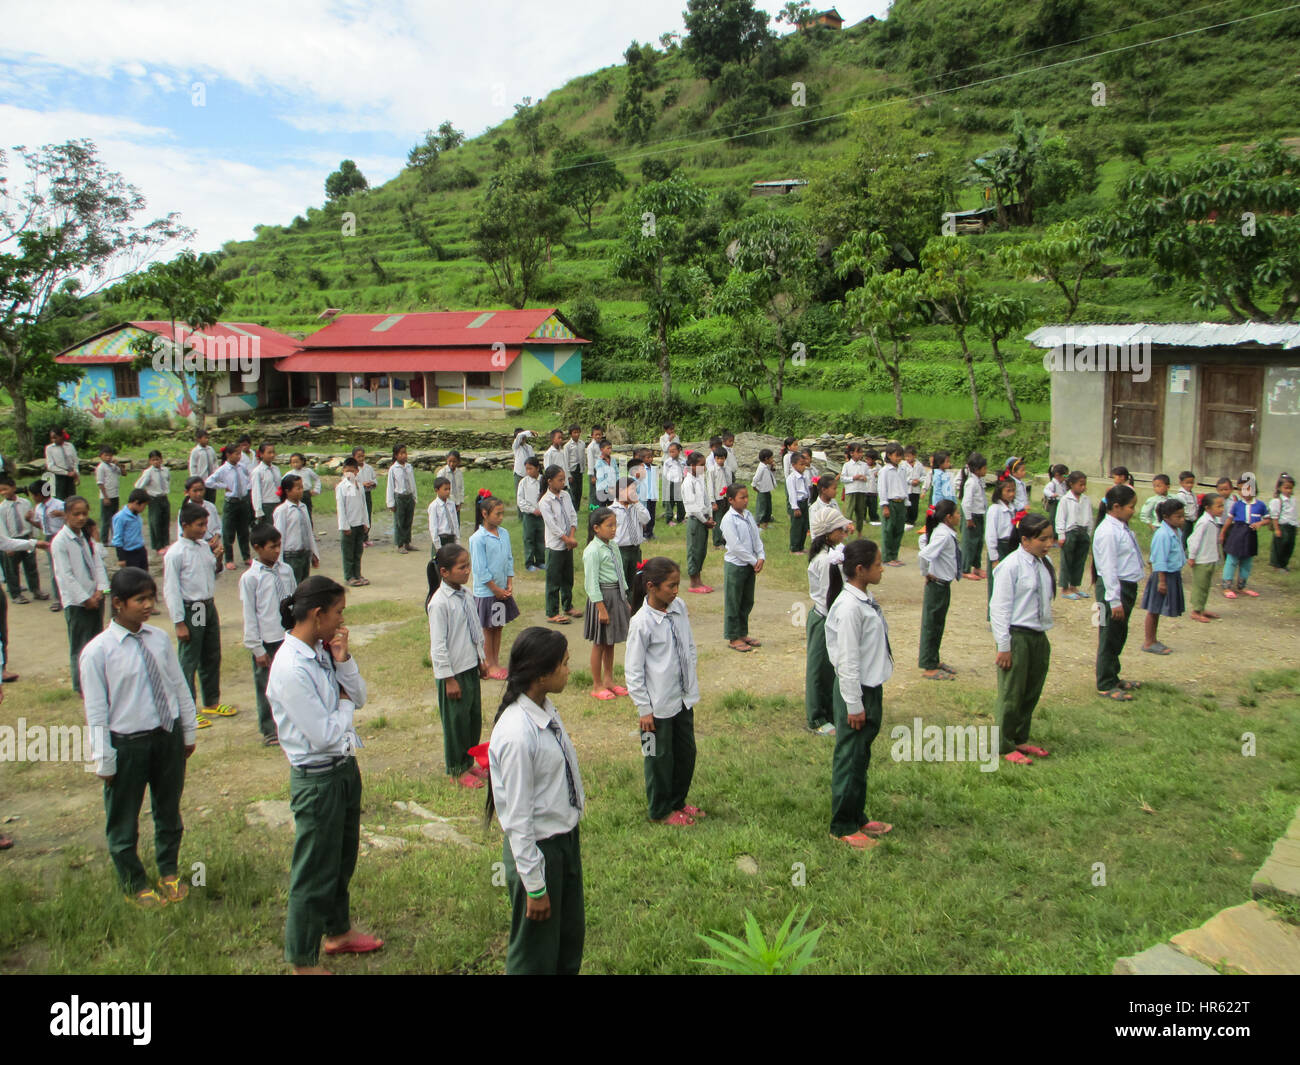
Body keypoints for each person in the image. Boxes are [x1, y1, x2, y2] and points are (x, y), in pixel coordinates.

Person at [267, 575, 382, 974]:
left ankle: (338, 931)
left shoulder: (321, 651)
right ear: (317, 615)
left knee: (341, 859)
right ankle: (302, 960)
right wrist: (346, 709)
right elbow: (326, 734)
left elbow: (360, 695)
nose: (342, 622)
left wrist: (343, 660)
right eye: (338, 614)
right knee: (313, 870)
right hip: (317, 779)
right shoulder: (289, 667)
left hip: (344, 769)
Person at [80, 567, 198, 908]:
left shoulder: (158, 639)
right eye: (140, 599)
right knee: (123, 818)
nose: (148, 605)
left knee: (168, 810)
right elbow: (97, 711)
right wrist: (104, 757)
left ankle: (168, 870)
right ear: (118, 603)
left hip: (166, 737)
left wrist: (186, 729)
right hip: (127, 744)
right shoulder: (98, 652)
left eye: (151, 597)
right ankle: (133, 881)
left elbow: (178, 686)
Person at [485, 627, 584, 975]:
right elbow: (517, 819)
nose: (569, 671)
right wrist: (535, 885)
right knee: (534, 955)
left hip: (564, 842)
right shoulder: (516, 732)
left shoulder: (545, 708)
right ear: (542, 674)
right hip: (539, 852)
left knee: (567, 941)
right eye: (565, 665)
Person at [825, 538, 893, 850]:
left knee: (860, 757)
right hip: (856, 693)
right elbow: (847, 661)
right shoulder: (849, 607)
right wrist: (854, 704)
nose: (882, 568)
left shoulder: (863, 598)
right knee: (850, 758)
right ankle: (842, 825)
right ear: (860, 569)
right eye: (878, 564)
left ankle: (857, 815)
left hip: (870, 687)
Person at [625, 556, 702, 826]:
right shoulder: (641, 622)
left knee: (686, 753)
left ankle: (678, 801)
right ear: (651, 587)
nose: (676, 591)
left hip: (681, 699)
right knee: (657, 758)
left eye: (678, 585)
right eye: (671, 586)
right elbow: (633, 671)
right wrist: (643, 708)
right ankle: (660, 809)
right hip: (655, 707)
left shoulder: (678, 607)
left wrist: (690, 683)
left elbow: (689, 645)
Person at [990, 513, 1057, 765]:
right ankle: (1004, 744)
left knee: (1031, 690)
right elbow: (999, 609)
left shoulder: (1043, 562)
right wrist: (1004, 646)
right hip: (1017, 636)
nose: (1049, 543)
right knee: (1012, 692)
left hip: (1038, 636)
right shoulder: (1011, 566)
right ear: (1025, 539)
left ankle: (1019, 737)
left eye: (1051, 538)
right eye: (1043, 539)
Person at [427, 546, 490, 787]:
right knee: (456, 723)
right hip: (453, 673)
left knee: (472, 718)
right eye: (461, 567)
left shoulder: (466, 594)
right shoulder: (439, 604)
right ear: (444, 572)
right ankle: (456, 768)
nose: (467, 571)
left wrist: (481, 660)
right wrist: (448, 678)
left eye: (468, 565)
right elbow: (438, 646)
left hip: (470, 667)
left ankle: (469, 762)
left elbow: (475, 631)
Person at [165, 501, 233, 722]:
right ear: (184, 525)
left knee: (211, 654)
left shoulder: (204, 547)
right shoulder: (176, 553)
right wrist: (179, 622)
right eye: (199, 525)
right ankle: (187, 709)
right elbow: (172, 589)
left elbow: (212, 574)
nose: (204, 529)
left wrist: (219, 559)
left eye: (205, 524)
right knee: (190, 658)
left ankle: (211, 701)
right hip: (192, 608)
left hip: (208, 605)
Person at [241, 524, 296, 746]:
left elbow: (295, 600)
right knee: (266, 686)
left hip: (288, 636)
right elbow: (250, 614)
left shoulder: (286, 570)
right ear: (257, 548)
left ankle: (291, 722)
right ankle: (269, 728)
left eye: (279, 545)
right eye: (272, 547)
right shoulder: (251, 578)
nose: (277, 551)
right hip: (267, 640)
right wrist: (256, 647)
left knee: (290, 682)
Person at [51, 497, 109, 694]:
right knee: (80, 644)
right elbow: (65, 575)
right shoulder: (60, 542)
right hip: (78, 602)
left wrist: (101, 589)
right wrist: (85, 598)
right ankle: (81, 685)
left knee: (96, 641)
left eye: (84, 513)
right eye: (76, 514)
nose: (81, 517)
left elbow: (97, 562)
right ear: (66, 515)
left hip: (95, 596)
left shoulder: (85, 536)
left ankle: (96, 680)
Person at [1092, 484, 1143, 701]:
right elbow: (1108, 568)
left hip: (1125, 588)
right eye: (1131, 507)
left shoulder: (1121, 527)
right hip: (1113, 591)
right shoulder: (1107, 532)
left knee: (1118, 635)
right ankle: (1104, 683)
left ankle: (1113, 676)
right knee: (1109, 635)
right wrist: (1114, 601)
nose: (1134, 511)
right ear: (1116, 507)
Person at [805, 509, 854, 734]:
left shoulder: (831, 555)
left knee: (832, 667)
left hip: (830, 617)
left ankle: (831, 710)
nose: (844, 532)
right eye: (839, 530)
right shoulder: (825, 561)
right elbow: (828, 594)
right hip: (824, 618)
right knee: (819, 669)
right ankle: (816, 717)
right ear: (828, 534)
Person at [581, 506, 630, 699]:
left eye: (615, 525)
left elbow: (621, 574)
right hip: (602, 599)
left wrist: (624, 598)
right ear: (596, 528)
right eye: (609, 525)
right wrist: (601, 608)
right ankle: (597, 684)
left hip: (616, 595)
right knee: (599, 643)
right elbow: (591, 583)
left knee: (611, 642)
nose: (613, 529)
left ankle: (609, 680)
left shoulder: (613, 546)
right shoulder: (592, 551)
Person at [468, 495, 519, 679]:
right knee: (488, 629)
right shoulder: (478, 539)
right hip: (487, 592)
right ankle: (488, 664)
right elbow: (480, 570)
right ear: (484, 514)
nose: (500, 518)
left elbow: (509, 559)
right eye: (497, 514)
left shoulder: (504, 533)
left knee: (498, 626)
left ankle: (495, 661)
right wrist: (495, 589)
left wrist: (509, 583)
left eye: (502, 514)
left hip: (502, 590)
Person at [918, 500, 961, 681]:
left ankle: (934, 660)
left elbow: (923, 541)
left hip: (944, 585)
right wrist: (926, 573)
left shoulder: (944, 532)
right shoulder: (943, 535)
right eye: (957, 513)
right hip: (937, 586)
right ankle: (928, 666)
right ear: (948, 517)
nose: (960, 516)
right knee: (932, 625)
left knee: (938, 624)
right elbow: (924, 554)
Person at [720, 483, 764, 654]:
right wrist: (753, 561)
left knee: (747, 600)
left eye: (747, 497)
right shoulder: (728, 520)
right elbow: (736, 546)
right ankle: (733, 636)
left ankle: (742, 632)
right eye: (742, 497)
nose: (746, 500)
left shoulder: (748, 515)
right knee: (734, 601)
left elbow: (756, 537)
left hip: (750, 565)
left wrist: (761, 556)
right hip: (736, 565)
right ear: (731, 500)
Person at [1141, 498, 1187, 655]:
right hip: (1163, 577)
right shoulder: (1162, 534)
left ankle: (1153, 639)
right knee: (1154, 608)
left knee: (1158, 608)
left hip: (1172, 574)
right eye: (1178, 516)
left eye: (1183, 516)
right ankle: (1149, 641)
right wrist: (1161, 581)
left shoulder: (1176, 531)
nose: (1182, 519)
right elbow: (1159, 559)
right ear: (1166, 517)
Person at [540, 465, 581, 625]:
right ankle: (552, 612)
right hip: (555, 546)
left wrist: (571, 536)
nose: (563, 483)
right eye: (560, 480)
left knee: (567, 577)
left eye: (564, 479)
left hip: (567, 544)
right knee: (553, 579)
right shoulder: (545, 501)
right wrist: (566, 539)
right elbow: (552, 525)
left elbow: (572, 515)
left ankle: (567, 605)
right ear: (550, 482)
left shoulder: (565, 495)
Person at [1221, 473, 1269, 598]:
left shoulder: (1260, 505)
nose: (1243, 492)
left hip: (1251, 535)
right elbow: (1229, 519)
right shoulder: (1237, 505)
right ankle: (1226, 586)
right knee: (1231, 560)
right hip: (1237, 533)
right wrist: (1223, 532)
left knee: (1247, 561)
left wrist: (1260, 523)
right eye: (1240, 489)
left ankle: (1242, 586)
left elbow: (1267, 519)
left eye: (1246, 489)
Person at [0, 475, 46, 603]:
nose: (3, 492)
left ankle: (36, 590)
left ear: (14, 487)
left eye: (5, 489)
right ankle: (16, 594)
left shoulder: (25, 503)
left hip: (26, 537)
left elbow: (32, 518)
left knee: (31, 566)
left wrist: (34, 536)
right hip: (11, 540)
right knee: (11, 570)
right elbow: (2, 527)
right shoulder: (2, 508)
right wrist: (7, 546)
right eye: (1, 490)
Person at [206, 444, 253, 568]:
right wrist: (223, 486)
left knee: (243, 530)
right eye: (236, 454)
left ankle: (246, 556)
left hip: (242, 501)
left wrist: (246, 489)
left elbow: (248, 478)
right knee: (228, 530)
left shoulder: (242, 467)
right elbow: (209, 482)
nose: (239, 456)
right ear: (228, 455)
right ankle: (229, 559)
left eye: (239, 454)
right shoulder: (223, 469)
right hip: (231, 502)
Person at [273, 474, 319, 583]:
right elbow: (280, 536)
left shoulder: (303, 507)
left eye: (302, 487)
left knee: (304, 585)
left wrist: (314, 552)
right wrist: (279, 561)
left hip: (304, 554)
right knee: (293, 586)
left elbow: (308, 531)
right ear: (288, 491)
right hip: (291, 556)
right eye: (298, 488)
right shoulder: (282, 510)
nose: (301, 490)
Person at [1054, 471, 1093, 600]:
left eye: (1084, 485)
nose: (1083, 487)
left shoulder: (1086, 499)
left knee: (1080, 560)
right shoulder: (1065, 500)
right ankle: (1065, 588)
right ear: (1071, 484)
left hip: (1083, 531)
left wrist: (1089, 533)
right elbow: (1060, 518)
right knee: (1067, 560)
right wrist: (1061, 535)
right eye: (1080, 484)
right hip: (1070, 531)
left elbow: (1090, 517)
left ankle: (1074, 586)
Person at [1187, 492, 1224, 623]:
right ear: (1208, 508)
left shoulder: (1213, 521)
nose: (1222, 509)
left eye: (1222, 506)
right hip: (1202, 560)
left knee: (1206, 585)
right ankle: (1196, 611)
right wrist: (1191, 557)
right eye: (1218, 506)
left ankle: (1201, 608)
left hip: (1210, 559)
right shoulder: (1203, 522)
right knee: (1200, 586)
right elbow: (1194, 540)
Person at [28, 481, 64, 612]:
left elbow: (74, 519)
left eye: (33, 495)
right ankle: (58, 599)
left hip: (61, 535)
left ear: (39, 494)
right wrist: (30, 521)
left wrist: (62, 514)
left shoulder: (60, 505)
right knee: (55, 569)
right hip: (49, 537)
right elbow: (41, 526)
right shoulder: (38, 508)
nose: (33, 498)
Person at [611, 473, 650, 592]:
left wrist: (637, 503)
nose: (634, 493)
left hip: (635, 549)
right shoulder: (612, 511)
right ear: (621, 492)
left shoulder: (636, 507)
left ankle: (634, 604)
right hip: (621, 550)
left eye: (635, 490)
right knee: (621, 581)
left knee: (636, 580)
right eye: (631, 490)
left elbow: (646, 519)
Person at [985, 477, 1019, 610]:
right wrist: (994, 558)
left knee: (1010, 581)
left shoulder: (1013, 508)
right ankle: (995, 614)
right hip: (1000, 548)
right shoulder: (995, 509)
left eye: (1013, 491)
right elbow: (990, 535)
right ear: (1000, 491)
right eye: (1008, 491)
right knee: (996, 583)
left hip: (1012, 546)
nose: (1012, 494)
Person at [682, 451, 714, 593]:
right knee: (694, 551)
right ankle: (693, 582)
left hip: (704, 518)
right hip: (696, 520)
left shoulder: (700, 479)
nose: (704, 468)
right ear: (692, 466)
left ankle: (699, 579)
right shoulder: (688, 483)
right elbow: (693, 507)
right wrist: (704, 520)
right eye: (702, 465)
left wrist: (710, 516)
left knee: (701, 550)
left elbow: (706, 499)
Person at [336, 457, 370, 587]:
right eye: (346, 470)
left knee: (357, 551)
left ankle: (357, 574)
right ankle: (349, 576)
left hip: (359, 524)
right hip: (348, 525)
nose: (349, 473)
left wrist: (365, 523)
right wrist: (344, 526)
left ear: (357, 471)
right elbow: (341, 508)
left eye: (352, 470)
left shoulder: (359, 486)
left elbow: (363, 505)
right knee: (348, 553)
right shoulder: (341, 487)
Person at [135, 450, 171, 557]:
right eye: (153, 460)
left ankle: (165, 543)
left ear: (161, 459)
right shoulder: (148, 472)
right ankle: (158, 545)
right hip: (154, 499)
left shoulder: (165, 470)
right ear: (150, 461)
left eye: (158, 459)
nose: (156, 462)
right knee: (155, 522)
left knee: (165, 521)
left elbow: (168, 480)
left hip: (164, 497)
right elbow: (139, 485)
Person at [958, 452, 988, 579]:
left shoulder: (979, 481)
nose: (986, 470)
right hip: (971, 516)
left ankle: (976, 566)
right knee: (969, 543)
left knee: (978, 542)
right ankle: (964, 569)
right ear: (976, 469)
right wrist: (968, 519)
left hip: (980, 514)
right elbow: (966, 503)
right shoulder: (971, 482)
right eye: (984, 468)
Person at [878, 442, 908, 566]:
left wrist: (906, 502)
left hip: (901, 502)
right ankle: (886, 556)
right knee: (888, 530)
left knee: (899, 530)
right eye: (896, 455)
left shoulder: (902, 469)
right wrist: (885, 506)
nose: (899, 458)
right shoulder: (885, 471)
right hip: (890, 503)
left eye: (901, 456)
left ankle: (894, 555)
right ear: (889, 455)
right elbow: (882, 488)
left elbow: (904, 486)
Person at [385, 444, 417, 554]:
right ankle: (400, 544)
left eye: (405, 453)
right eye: (401, 453)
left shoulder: (409, 467)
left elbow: (412, 482)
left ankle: (407, 542)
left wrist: (414, 497)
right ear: (396, 455)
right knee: (400, 522)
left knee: (408, 520)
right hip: (399, 497)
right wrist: (391, 503)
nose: (404, 455)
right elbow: (390, 486)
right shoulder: (393, 469)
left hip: (409, 496)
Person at [516, 456, 546, 572]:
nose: (528, 471)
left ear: (537, 468)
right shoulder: (523, 482)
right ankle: (529, 562)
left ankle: (540, 561)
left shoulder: (543, 481)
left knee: (540, 538)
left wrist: (542, 510)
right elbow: (520, 501)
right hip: (529, 515)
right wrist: (532, 510)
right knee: (529, 538)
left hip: (542, 515)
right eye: (527, 469)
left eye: (531, 469)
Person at [111, 489, 151, 572]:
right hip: (129, 554)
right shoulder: (120, 517)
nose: (144, 508)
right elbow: (117, 538)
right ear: (136, 503)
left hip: (140, 550)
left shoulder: (137, 516)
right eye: (144, 505)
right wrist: (121, 558)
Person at [249, 443, 282, 531]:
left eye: (273, 452)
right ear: (262, 454)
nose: (272, 455)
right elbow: (256, 492)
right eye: (269, 453)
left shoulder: (276, 469)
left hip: (277, 502)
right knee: (269, 531)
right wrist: (258, 510)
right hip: (266, 505)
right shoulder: (257, 472)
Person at [840, 443, 871, 535]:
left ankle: (859, 531)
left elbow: (869, 477)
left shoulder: (864, 465)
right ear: (852, 453)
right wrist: (854, 478)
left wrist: (865, 478)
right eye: (859, 452)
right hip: (851, 490)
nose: (860, 454)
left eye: (861, 452)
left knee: (860, 512)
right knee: (848, 512)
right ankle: (845, 531)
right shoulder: (847, 465)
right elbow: (842, 478)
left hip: (861, 490)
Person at [1269, 473, 1297, 572]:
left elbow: (1294, 513)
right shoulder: (1277, 501)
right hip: (1282, 526)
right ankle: (1277, 565)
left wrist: (1296, 526)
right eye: (1286, 488)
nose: (1289, 490)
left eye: (1291, 488)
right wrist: (1277, 529)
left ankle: (1284, 564)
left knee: (1289, 545)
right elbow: (1274, 516)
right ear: (1280, 488)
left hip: (1291, 526)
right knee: (1280, 546)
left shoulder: (1293, 500)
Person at [785, 450, 811, 554]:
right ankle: (794, 548)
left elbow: (807, 490)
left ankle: (801, 546)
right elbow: (792, 494)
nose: (803, 467)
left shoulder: (804, 476)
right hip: (797, 504)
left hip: (804, 502)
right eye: (801, 464)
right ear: (794, 465)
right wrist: (795, 507)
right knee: (797, 526)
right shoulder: (791, 478)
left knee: (804, 526)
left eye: (804, 464)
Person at [45, 427, 79, 500]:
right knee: (60, 497)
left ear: (61, 436)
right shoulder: (49, 448)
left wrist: (76, 473)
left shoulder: (69, 446)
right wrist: (66, 473)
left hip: (71, 475)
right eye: (52, 438)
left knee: (72, 498)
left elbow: (75, 461)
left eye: (55, 438)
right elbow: (50, 466)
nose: (53, 440)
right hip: (59, 476)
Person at [352, 448, 378, 545]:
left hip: (367, 494)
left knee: (367, 515)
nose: (361, 458)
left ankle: (366, 537)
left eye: (362, 456)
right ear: (354, 457)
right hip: (357, 495)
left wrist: (372, 483)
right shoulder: (353, 469)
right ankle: (360, 539)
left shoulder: (369, 468)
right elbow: (351, 483)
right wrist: (362, 484)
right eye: (358, 456)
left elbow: (375, 479)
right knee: (360, 515)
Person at [428, 477, 460, 555]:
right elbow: (433, 527)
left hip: (451, 537)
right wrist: (437, 546)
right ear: (437, 490)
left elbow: (455, 522)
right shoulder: (434, 506)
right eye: (445, 489)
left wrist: (457, 539)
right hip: (441, 538)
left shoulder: (451, 504)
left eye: (449, 489)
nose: (448, 491)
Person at [95, 445, 122, 535]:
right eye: (106, 455)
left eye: (110, 455)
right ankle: (104, 539)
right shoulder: (101, 467)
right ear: (101, 456)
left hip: (115, 495)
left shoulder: (113, 466)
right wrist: (105, 497)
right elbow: (100, 483)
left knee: (115, 518)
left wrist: (118, 465)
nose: (108, 457)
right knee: (106, 519)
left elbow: (123, 473)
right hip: (106, 496)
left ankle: (115, 537)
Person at [707, 446, 729, 549]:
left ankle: (725, 539)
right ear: (715, 458)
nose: (720, 460)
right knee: (718, 520)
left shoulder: (727, 469)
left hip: (726, 498)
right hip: (717, 499)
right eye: (718, 458)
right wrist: (712, 501)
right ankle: (717, 542)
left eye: (722, 458)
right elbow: (710, 486)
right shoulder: (712, 470)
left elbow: (729, 483)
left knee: (726, 519)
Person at [288, 453, 321, 521]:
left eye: (297, 462)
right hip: (295, 495)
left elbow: (317, 479)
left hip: (305, 494)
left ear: (302, 461)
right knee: (296, 514)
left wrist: (316, 489)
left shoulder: (307, 471)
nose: (295, 464)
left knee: (307, 514)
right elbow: (283, 483)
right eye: (293, 463)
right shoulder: (290, 473)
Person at [189, 429, 218, 505]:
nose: (207, 440)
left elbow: (215, 462)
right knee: (202, 501)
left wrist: (216, 474)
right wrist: (195, 480)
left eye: (207, 438)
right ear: (199, 439)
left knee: (211, 501)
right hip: (201, 480)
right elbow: (193, 466)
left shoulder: (211, 449)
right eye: (205, 438)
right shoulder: (196, 451)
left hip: (211, 480)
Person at [435, 450, 465, 523]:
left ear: (458, 462)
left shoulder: (459, 473)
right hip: (446, 503)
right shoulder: (442, 473)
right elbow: (439, 489)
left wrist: (460, 502)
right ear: (447, 460)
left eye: (454, 461)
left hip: (456, 503)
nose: (451, 464)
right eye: (449, 461)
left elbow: (461, 488)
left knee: (456, 523)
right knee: (446, 524)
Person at [901, 445, 927, 528]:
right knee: (906, 505)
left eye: (909, 456)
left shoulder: (919, 465)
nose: (907, 458)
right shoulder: (903, 465)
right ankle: (906, 520)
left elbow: (924, 475)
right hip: (907, 489)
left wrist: (918, 480)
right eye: (906, 457)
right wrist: (911, 481)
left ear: (914, 455)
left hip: (916, 490)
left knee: (914, 506)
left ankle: (912, 520)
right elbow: (902, 476)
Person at [563, 425, 586, 513]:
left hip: (579, 469)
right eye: (574, 433)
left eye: (578, 432)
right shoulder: (567, 446)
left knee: (579, 490)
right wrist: (568, 474)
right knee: (573, 489)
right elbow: (566, 460)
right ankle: (573, 508)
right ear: (571, 434)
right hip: (572, 469)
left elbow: (583, 457)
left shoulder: (582, 444)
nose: (576, 434)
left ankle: (578, 507)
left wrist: (583, 468)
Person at [1175, 471, 1198, 552]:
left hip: (1191, 520)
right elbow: (1183, 510)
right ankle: (1180, 552)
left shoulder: (1192, 494)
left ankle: (1184, 551)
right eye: (1187, 483)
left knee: (1188, 537)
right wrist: (1189, 517)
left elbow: (1195, 506)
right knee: (1183, 538)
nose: (1190, 485)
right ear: (1181, 483)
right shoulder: (1181, 495)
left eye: (1191, 483)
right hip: (1185, 520)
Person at [1042, 464, 1069, 530]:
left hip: (1062, 502)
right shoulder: (1052, 484)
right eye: (1065, 475)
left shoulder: (1063, 483)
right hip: (1055, 503)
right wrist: (1052, 494)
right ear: (1057, 475)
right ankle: (1053, 531)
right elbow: (1046, 490)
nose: (1066, 477)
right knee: (1053, 518)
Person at [585, 426, 605, 505]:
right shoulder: (591, 447)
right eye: (596, 435)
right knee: (594, 492)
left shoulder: (602, 445)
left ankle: (601, 509)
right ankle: (593, 510)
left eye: (599, 434)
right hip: (594, 471)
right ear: (592, 435)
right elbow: (590, 462)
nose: (598, 436)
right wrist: (592, 475)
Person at [593, 439, 616, 508]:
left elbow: (617, 473)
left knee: (612, 508)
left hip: (612, 488)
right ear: (602, 449)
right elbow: (601, 478)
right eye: (608, 448)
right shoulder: (599, 463)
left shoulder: (613, 460)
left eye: (611, 448)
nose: (610, 450)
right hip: (602, 489)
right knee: (602, 509)